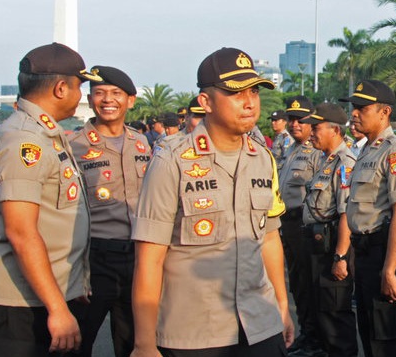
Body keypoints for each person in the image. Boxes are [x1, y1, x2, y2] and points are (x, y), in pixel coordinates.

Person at [131, 47, 293, 356]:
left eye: (254, 92)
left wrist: (282, 307)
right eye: (235, 93)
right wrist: (144, 344)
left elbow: (270, 237)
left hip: (259, 324)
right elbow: (150, 257)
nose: (249, 103)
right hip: (194, 332)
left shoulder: (261, 158)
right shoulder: (172, 161)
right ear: (205, 102)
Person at [0, 43, 100, 355]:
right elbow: (21, 232)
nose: (82, 96)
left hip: (49, 295)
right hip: (27, 305)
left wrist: (74, 286)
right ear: (61, 88)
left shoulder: (46, 133)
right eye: (79, 87)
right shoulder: (25, 140)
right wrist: (58, 309)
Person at [68, 65, 150, 357]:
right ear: (89, 101)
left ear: (131, 100)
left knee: (132, 343)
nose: (107, 99)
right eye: (99, 93)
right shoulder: (72, 146)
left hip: (137, 257)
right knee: (76, 342)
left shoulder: (142, 143)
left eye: (116, 93)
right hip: (93, 259)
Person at [339, 80, 396, 357]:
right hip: (366, 252)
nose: (355, 113)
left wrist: (389, 269)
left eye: (362, 107)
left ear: (384, 112)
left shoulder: (395, 150)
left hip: (385, 253)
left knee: (387, 341)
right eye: (353, 108)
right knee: (370, 335)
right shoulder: (367, 150)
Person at [302, 103, 359, 357]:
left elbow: (346, 213)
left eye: (316, 128)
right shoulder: (327, 160)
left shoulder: (345, 162)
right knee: (321, 309)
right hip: (318, 245)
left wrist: (340, 257)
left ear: (335, 130)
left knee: (335, 312)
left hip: (332, 247)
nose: (311, 132)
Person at [277, 95, 326, 357]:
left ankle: (316, 340)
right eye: (292, 119)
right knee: (297, 282)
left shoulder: (317, 151)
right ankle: (307, 334)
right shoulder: (290, 148)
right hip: (287, 223)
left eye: (301, 120)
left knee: (308, 283)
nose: (295, 124)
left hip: (304, 224)